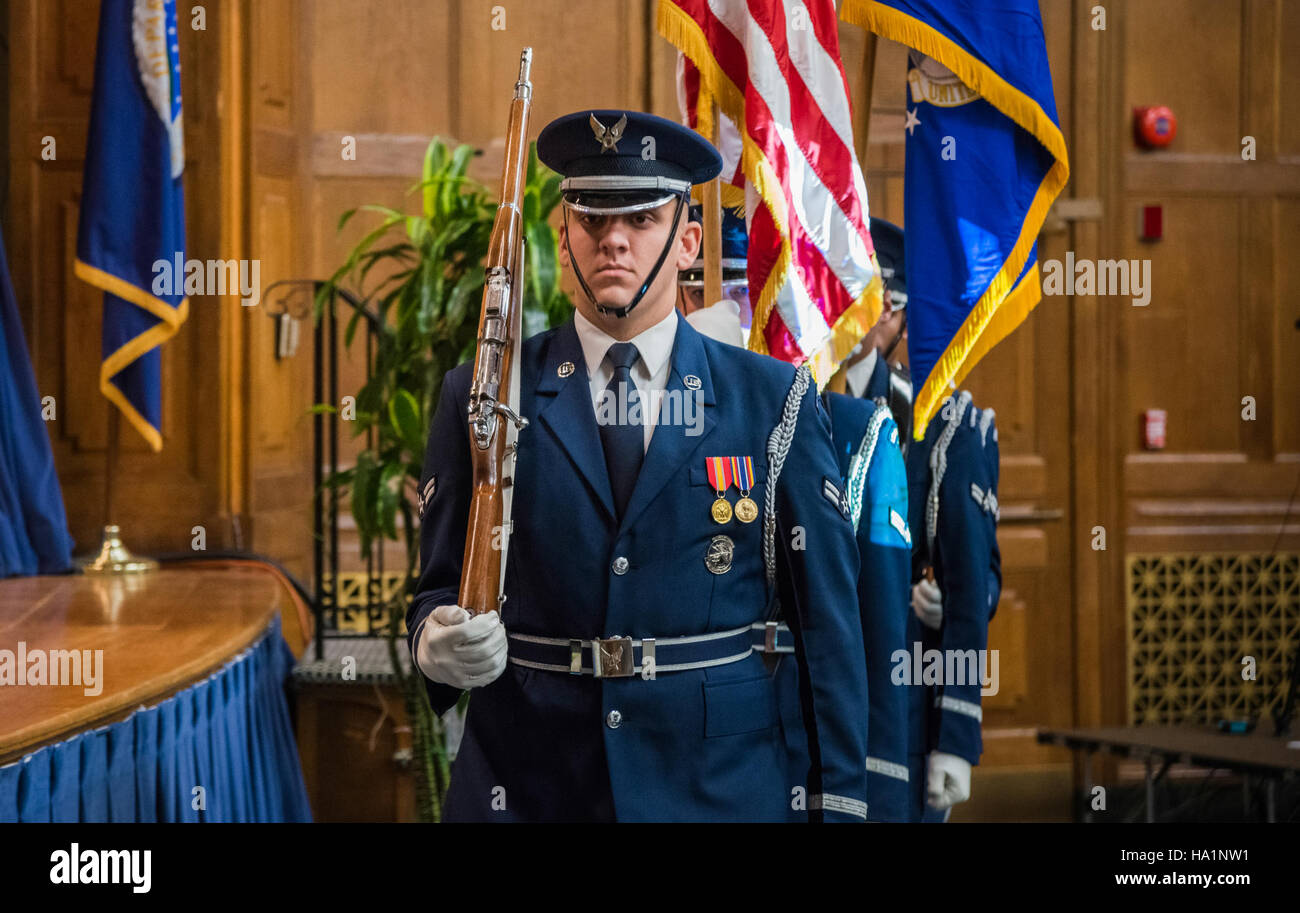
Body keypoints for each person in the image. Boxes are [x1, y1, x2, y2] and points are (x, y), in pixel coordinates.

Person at [407, 109, 869, 822]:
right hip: (531, 789)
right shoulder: (484, 392)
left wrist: (839, 805)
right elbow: (434, 588)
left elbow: (829, 633)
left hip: (716, 793)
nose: (613, 239)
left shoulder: (772, 402)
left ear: (688, 241)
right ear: (562, 238)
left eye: (642, 218)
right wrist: (437, 642)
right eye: (590, 220)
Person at [677, 207, 913, 822]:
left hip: (787, 755)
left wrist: (868, 783)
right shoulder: (654, 417)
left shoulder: (853, 429)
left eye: (749, 293)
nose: (737, 312)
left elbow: (868, 627)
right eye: (717, 290)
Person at [846, 220, 1002, 822]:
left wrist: (956, 737)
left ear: (892, 316)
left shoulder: (938, 425)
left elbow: (971, 581)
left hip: (899, 701)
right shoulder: (784, 402)